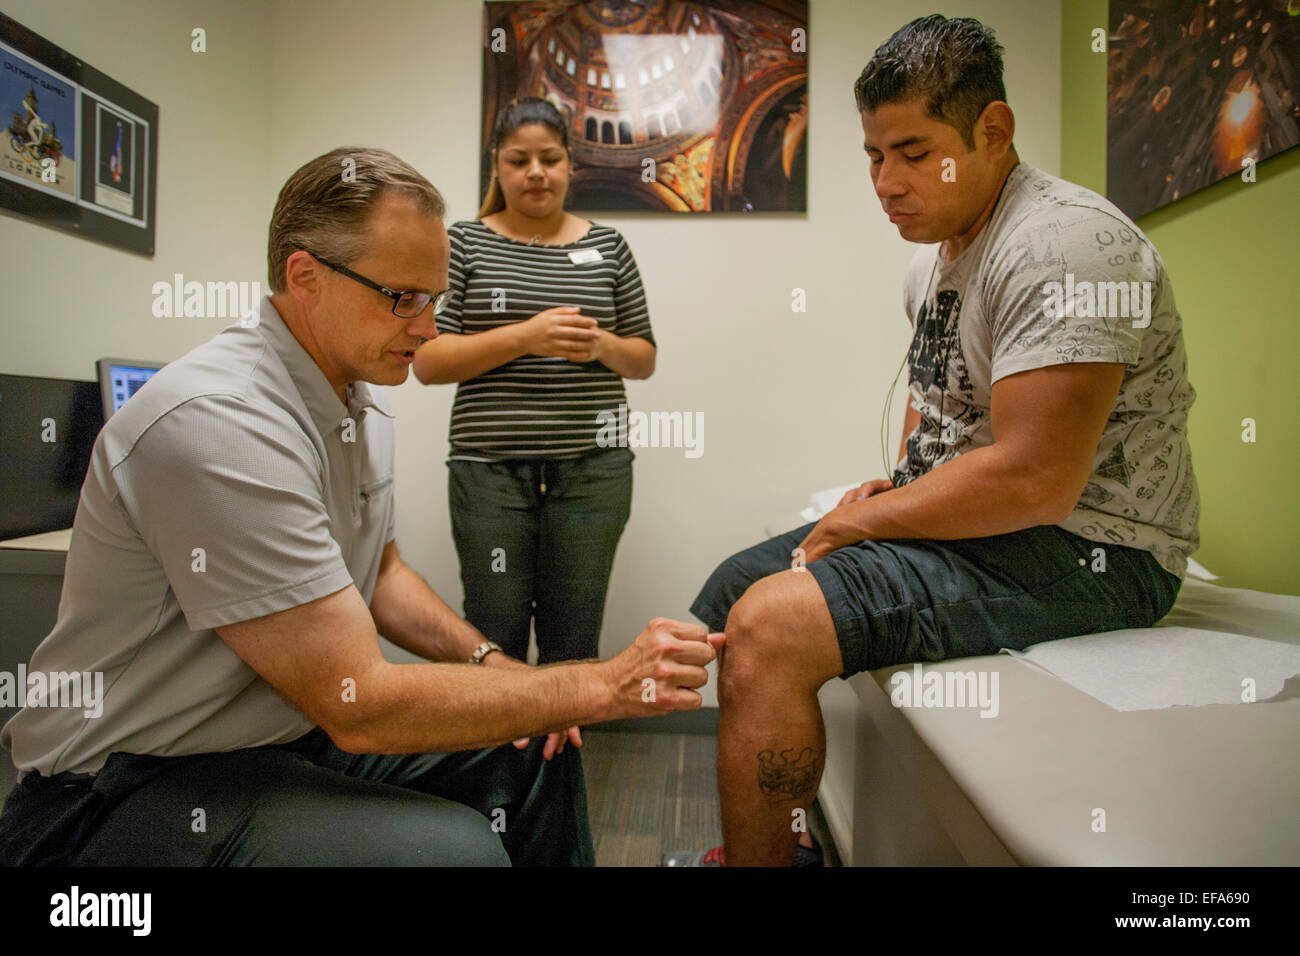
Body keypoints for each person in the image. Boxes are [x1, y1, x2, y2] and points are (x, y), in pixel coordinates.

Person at [0, 146, 721, 868]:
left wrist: (497, 664)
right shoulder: (221, 423)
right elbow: (359, 704)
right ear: (305, 276)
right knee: (454, 853)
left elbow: (379, 574)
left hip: (281, 739)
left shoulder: (355, 398)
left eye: (433, 298)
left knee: (531, 753)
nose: (429, 326)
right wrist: (600, 684)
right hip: (118, 788)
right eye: (402, 297)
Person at [664, 14, 1199, 867]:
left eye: (913, 153)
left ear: (993, 131)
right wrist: (891, 492)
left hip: (1097, 546)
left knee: (770, 622)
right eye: (875, 156)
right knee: (735, 585)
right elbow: (936, 412)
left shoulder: (1065, 247)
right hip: (1007, 529)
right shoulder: (936, 261)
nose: (886, 181)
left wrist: (866, 526)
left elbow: (1035, 481)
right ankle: (787, 842)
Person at [414, 97, 656, 666]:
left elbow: (643, 358)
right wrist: (526, 336)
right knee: (493, 633)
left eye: (549, 158)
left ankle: (559, 757)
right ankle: (499, 758)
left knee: (573, 641)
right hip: (489, 474)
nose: (536, 173)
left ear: (571, 164)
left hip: (594, 473)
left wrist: (600, 344)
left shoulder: (609, 245)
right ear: (496, 166)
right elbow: (427, 361)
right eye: (519, 160)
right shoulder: (464, 243)